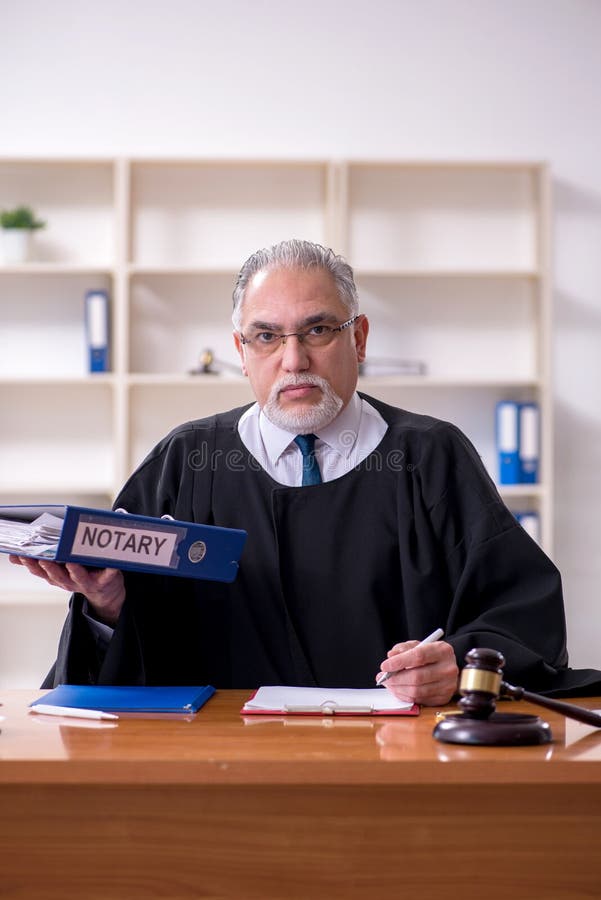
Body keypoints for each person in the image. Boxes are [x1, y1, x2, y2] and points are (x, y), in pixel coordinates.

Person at [11, 240, 601, 703]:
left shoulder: (432, 457)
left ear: (360, 337)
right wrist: (110, 607)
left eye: (318, 330)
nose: (293, 360)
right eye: (266, 337)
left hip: (399, 765)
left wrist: (460, 664)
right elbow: (124, 656)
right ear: (241, 353)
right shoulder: (185, 461)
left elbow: (522, 617)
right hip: (217, 769)